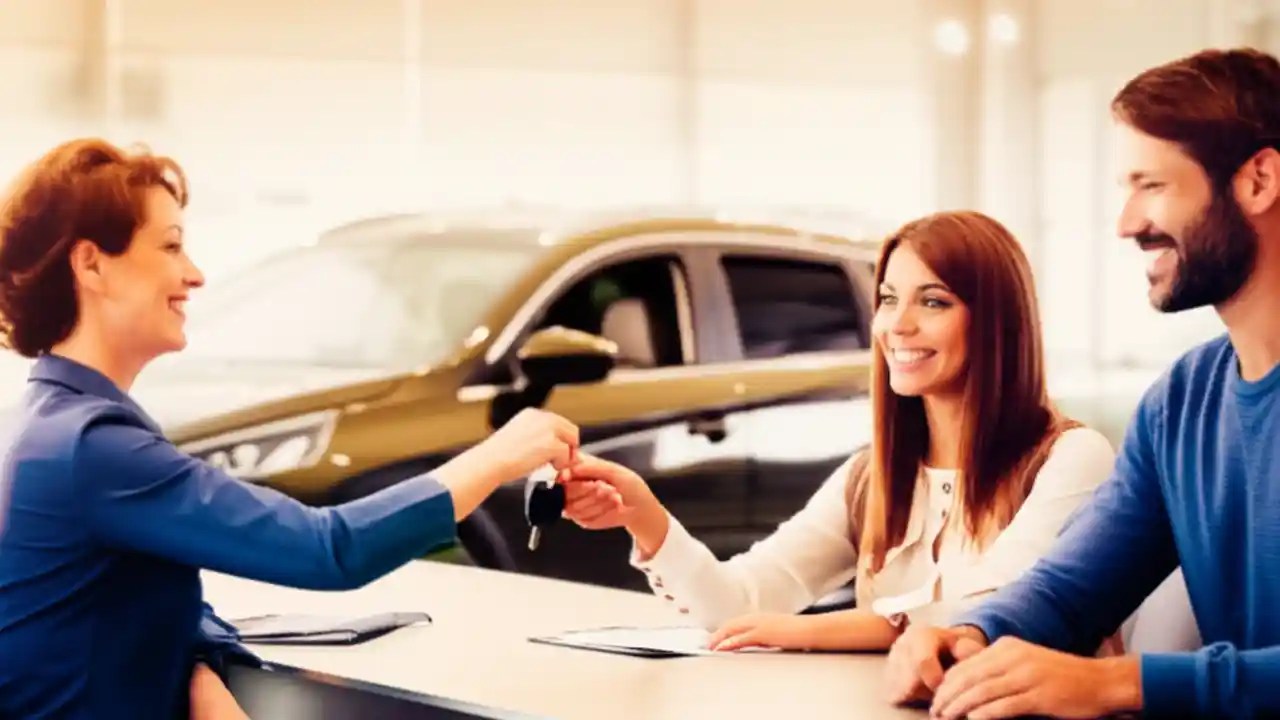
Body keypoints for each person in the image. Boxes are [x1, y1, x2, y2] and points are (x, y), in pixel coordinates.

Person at [0, 138, 580, 719]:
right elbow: (330, 549)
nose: (195, 275)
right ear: (91, 264)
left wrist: (200, 661)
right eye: (171, 246)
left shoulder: (51, 423)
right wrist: (499, 456)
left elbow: (123, 590)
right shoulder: (92, 446)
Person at [886, 47, 1280, 720]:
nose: (1127, 224)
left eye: (1151, 185)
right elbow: (1071, 589)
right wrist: (968, 636)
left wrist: (1118, 685)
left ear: (1259, 180)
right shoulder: (1179, 405)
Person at [557, 210, 1116, 653]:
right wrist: (643, 515)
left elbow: (982, 616)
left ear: (998, 322)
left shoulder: (1070, 458)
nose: (898, 325)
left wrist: (807, 630)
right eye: (889, 299)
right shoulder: (871, 477)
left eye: (934, 301)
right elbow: (738, 606)